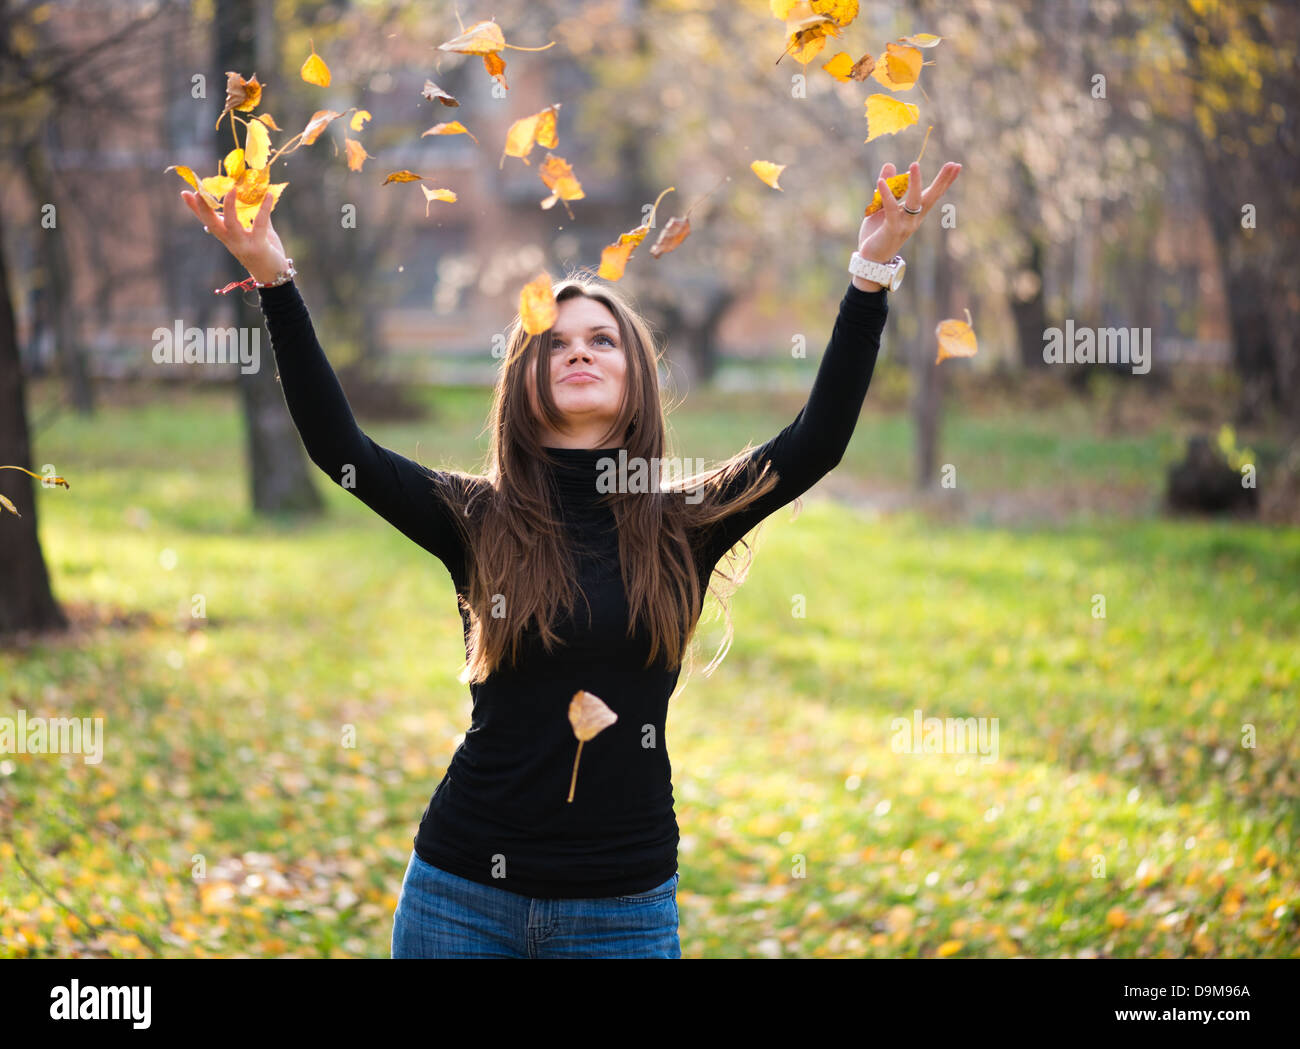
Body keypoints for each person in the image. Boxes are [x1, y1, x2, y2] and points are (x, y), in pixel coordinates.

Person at [179, 156, 961, 958]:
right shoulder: (476, 518)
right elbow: (338, 445)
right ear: (525, 378)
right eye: (555, 344)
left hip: (621, 907)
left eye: (601, 341)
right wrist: (273, 276)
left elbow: (816, 443)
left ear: (635, 376)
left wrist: (871, 272)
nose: (579, 352)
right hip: (461, 897)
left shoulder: (683, 522)